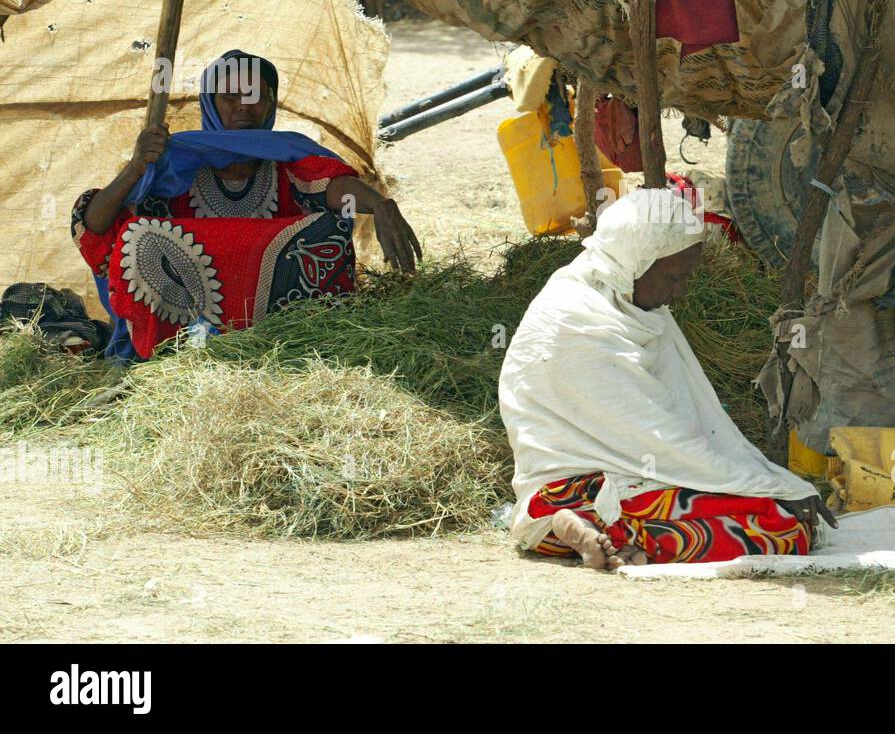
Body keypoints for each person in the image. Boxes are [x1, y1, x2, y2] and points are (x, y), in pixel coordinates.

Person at [498, 188, 835, 569]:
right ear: (638, 259)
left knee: (765, 512)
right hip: (577, 488)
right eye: (673, 277)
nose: (678, 292)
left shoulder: (625, 300)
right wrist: (769, 485)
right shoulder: (581, 322)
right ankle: (605, 531)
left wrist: (756, 482)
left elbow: (672, 435)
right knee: (785, 529)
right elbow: (659, 442)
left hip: (580, 495)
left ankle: (593, 534)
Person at [72, 50, 420, 360]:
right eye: (229, 96)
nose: (244, 105)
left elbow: (332, 186)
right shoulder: (170, 162)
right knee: (137, 236)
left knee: (330, 228)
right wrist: (135, 168)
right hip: (183, 337)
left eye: (256, 96)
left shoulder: (288, 158)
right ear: (209, 101)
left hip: (279, 328)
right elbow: (94, 226)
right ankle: (167, 355)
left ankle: (303, 346)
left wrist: (380, 204)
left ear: (270, 104)